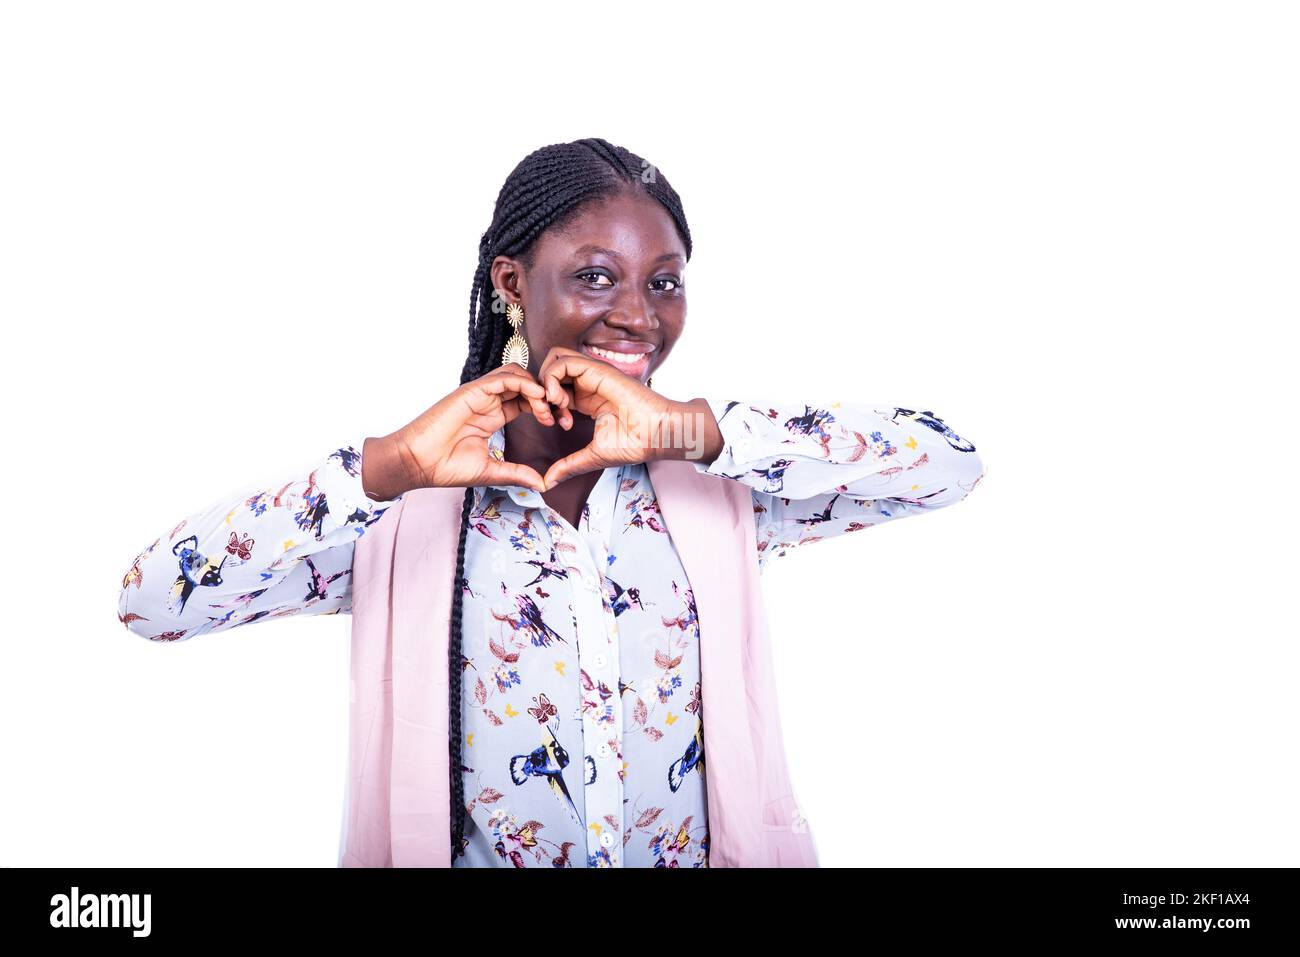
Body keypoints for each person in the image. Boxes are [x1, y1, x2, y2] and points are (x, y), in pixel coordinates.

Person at [117, 136, 987, 868]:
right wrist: (381, 469)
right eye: (598, 277)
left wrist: (700, 432)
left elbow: (949, 461)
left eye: (664, 282)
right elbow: (153, 601)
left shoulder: (724, 490)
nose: (639, 317)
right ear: (510, 282)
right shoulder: (404, 516)